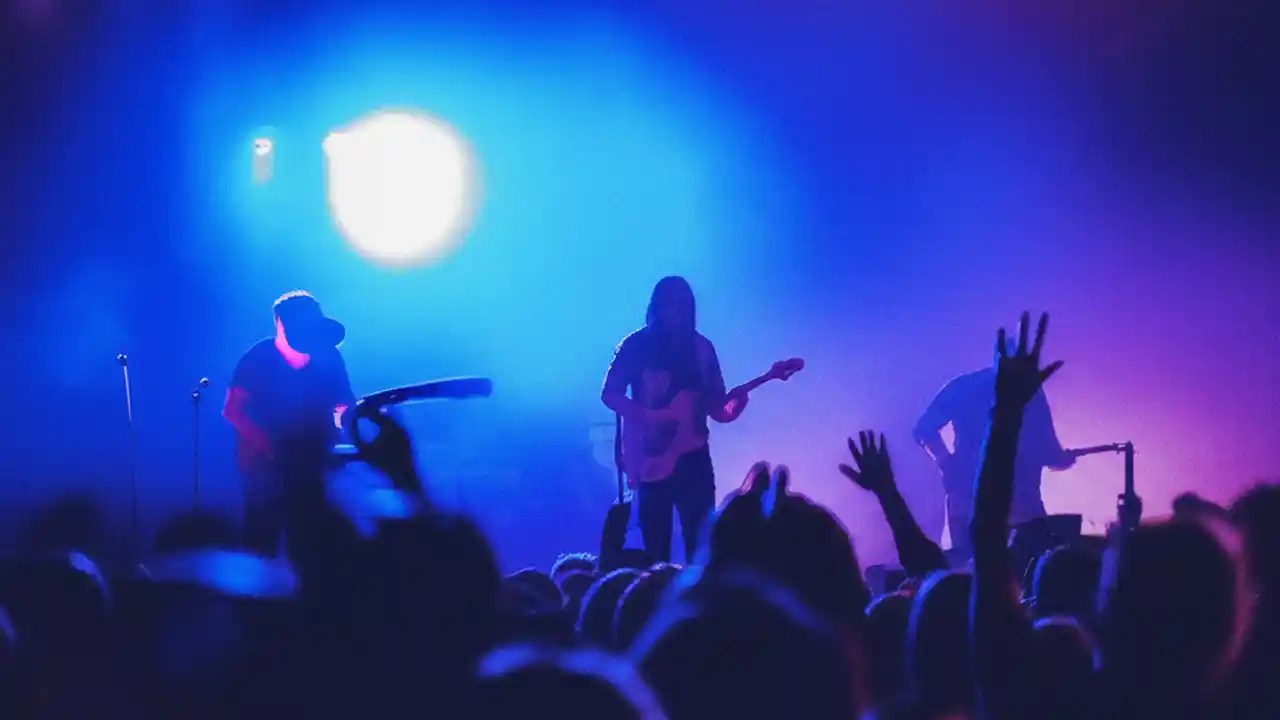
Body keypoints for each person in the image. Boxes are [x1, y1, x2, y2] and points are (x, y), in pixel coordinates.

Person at [601, 277, 748, 564]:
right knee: (656, 550)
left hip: (693, 456)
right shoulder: (635, 346)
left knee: (703, 544)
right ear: (656, 308)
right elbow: (610, 394)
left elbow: (717, 409)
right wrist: (649, 416)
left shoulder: (702, 349)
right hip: (651, 459)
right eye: (669, 305)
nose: (675, 313)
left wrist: (737, 404)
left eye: (681, 307)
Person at [913, 333, 1074, 558]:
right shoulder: (1032, 393)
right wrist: (1062, 459)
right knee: (1028, 567)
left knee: (972, 569)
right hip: (1018, 504)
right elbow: (1050, 451)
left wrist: (946, 463)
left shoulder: (964, 386)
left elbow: (923, 429)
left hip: (976, 501)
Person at [223, 291, 355, 556]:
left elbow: (343, 403)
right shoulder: (258, 358)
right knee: (261, 542)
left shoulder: (327, 357)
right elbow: (233, 410)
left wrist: (341, 433)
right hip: (265, 468)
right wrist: (270, 450)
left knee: (310, 541)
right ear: (281, 323)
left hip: (312, 461)